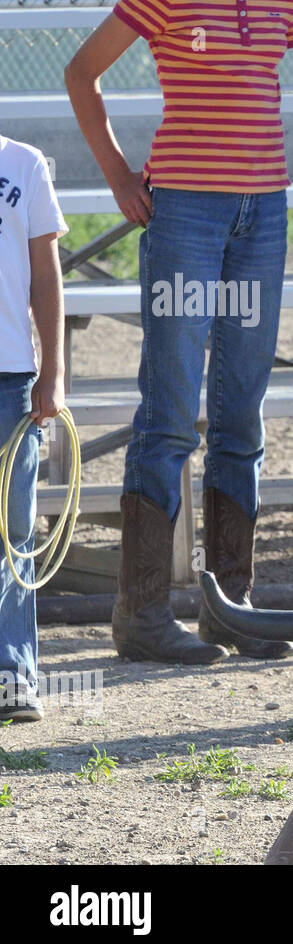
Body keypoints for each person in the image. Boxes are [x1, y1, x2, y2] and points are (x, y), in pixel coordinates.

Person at [66, 2, 293, 664]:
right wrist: (119, 177)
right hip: (183, 210)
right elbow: (80, 72)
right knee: (172, 413)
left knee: (242, 416)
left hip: (263, 214)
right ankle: (143, 612)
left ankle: (231, 608)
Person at [0, 136, 66, 722]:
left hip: (10, 374)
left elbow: (46, 274)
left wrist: (53, 369)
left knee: (14, 526)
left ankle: (13, 675)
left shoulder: (24, 162)